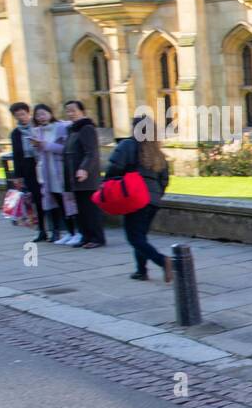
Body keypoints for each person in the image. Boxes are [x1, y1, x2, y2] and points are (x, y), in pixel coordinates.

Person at [105, 115, 172, 281]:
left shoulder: (128, 145)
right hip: (153, 200)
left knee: (134, 237)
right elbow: (164, 180)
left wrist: (108, 183)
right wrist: (155, 196)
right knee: (140, 235)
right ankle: (141, 271)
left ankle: (163, 261)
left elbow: (114, 167)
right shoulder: (158, 153)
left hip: (134, 196)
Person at [27, 104, 78, 244]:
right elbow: (39, 153)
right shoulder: (38, 131)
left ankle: (77, 232)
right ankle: (69, 232)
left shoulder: (61, 127)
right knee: (58, 202)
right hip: (47, 172)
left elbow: (66, 149)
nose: (41, 117)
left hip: (60, 170)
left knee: (68, 202)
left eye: (43, 114)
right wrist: (37, 146)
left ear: (50, 113)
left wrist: (46, 145)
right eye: (38, 115)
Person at [63, 100, 105, 248]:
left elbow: (91, 152)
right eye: (68, 111)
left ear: (82, 111)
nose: (70, 114)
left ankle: (97, 238)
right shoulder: (72, 130)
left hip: (86, 176)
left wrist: (84, 169)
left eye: (73, 110)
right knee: (80, 209)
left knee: (90, 209)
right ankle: (86, 236)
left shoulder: (87, 128)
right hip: (74, 176)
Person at [7, 102, 47, 240]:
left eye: (23, 114)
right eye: (18, 116)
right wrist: (18, 176)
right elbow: (17, 155)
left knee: (51, 199)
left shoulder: (38, 127)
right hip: (28, 169)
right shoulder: (15, 133)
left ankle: (57, 229)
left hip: (42, 165)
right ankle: (42, 230)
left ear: (28, 113)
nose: (21, 118)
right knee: (36, 200)